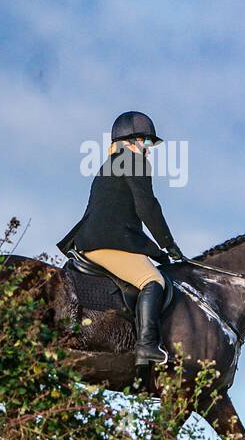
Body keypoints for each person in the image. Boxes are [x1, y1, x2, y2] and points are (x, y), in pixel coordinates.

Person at [58, 111, 185, 366]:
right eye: (146, 142)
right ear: (129, 141)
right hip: (109, 242)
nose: (149, 150)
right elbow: (147, 206)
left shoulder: (111, 163)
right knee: (153, 280)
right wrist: (168, 243)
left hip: (91, 241)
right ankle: (147, 347)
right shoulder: (132, 161)